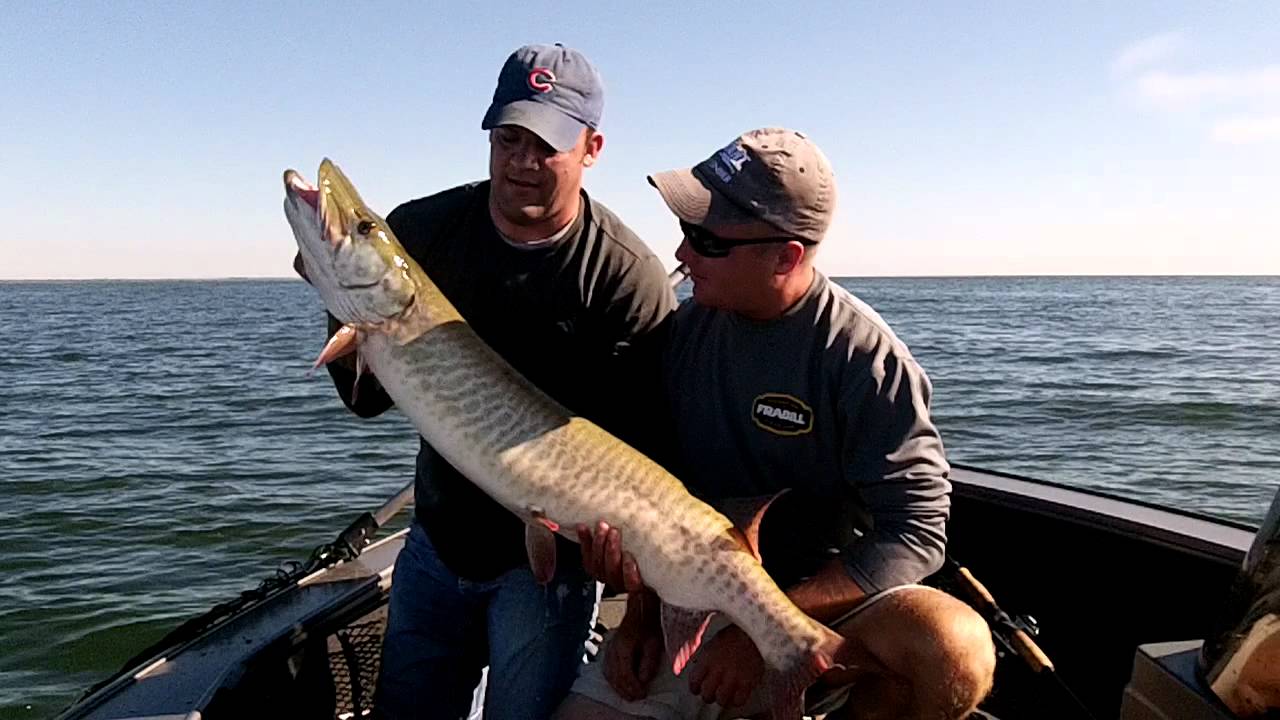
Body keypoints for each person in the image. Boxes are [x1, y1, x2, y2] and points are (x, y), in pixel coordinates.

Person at [555, 128, 996, 720]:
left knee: (954, 648)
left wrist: (766, 631)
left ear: (786, 256)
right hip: (692, 604)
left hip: (825, 608)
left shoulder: (866, 360)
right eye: (685, 232)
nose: (682, 254)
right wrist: (637, 618)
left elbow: (916, 532)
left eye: (706, 240)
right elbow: (647, 496)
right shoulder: (677, 339)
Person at [309, 44, 677, 720]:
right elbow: (366, 400)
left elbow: (653, 445)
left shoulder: (629, 279)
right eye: (508, 138)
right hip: (438, 538)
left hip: (549, 571)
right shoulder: (423, 230)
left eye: (547, 145)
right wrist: (338, 294)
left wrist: (642, 603)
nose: (522, 162)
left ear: (592, 148)